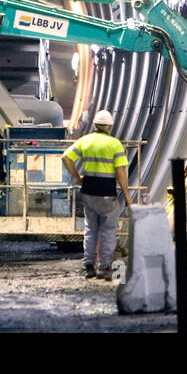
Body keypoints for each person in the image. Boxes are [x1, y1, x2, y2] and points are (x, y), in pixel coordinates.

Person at [62, 109, 134, 279]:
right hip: (106, 191)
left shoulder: (85, 140)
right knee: (108, 229)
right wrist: (128, 196)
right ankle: (104, 266)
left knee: (90, 228)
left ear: (94, 125)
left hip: (88, 190)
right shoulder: (115, 144)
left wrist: (77, 177)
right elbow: (121, 172)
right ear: (110, 127)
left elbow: (65, 157)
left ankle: (89, 264)